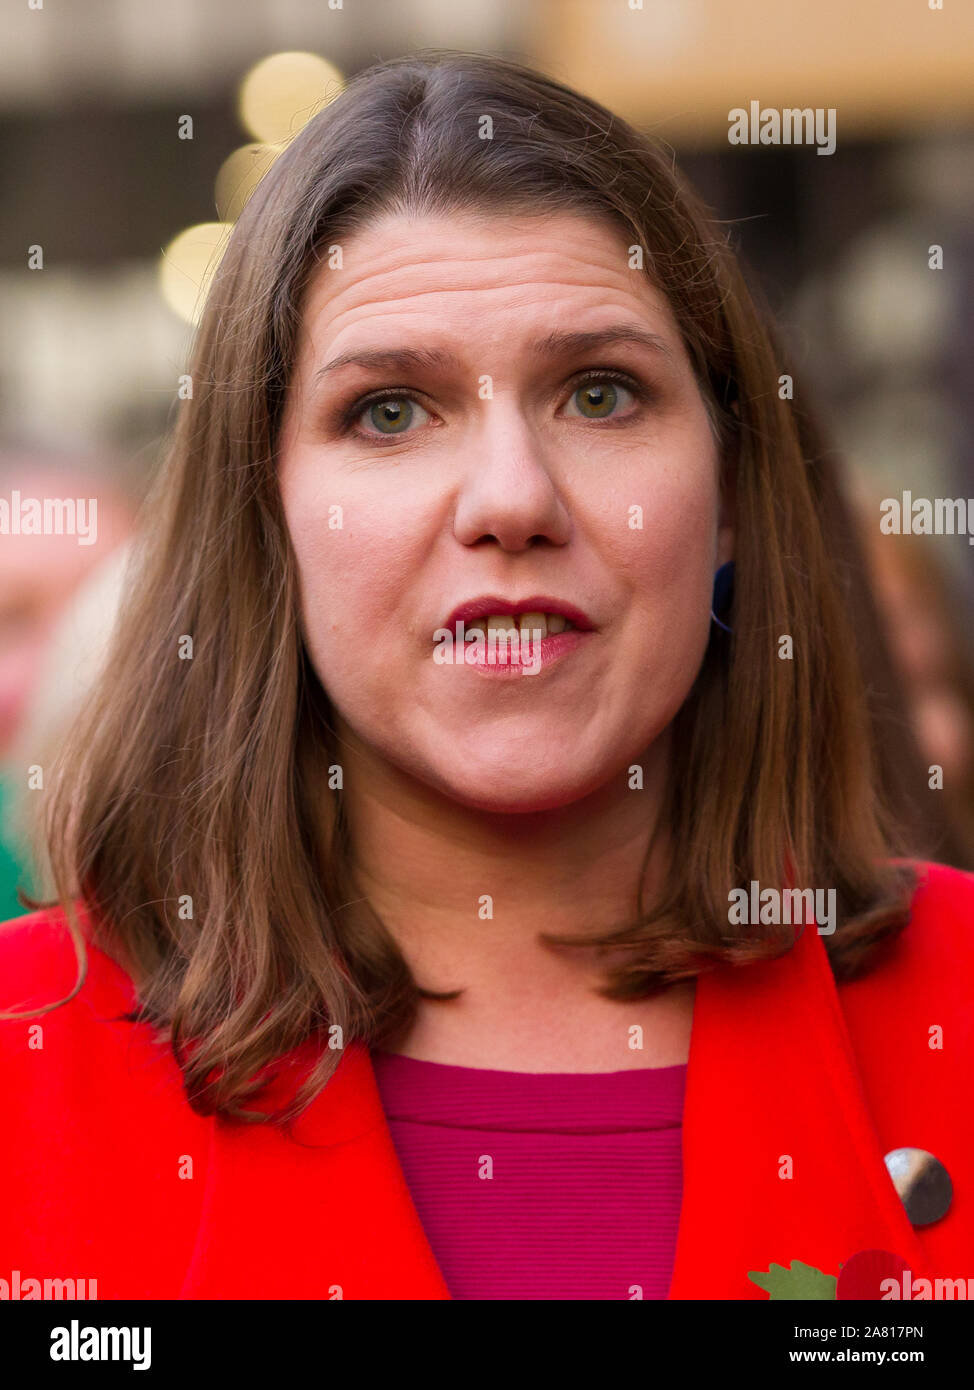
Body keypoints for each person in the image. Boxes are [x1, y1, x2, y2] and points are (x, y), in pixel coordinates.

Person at [1, 50, 971, 1303]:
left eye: (600, 392)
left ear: (729, 491)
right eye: (390, 412)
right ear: (264, 509)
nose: (511, 498)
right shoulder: (29, 1065)